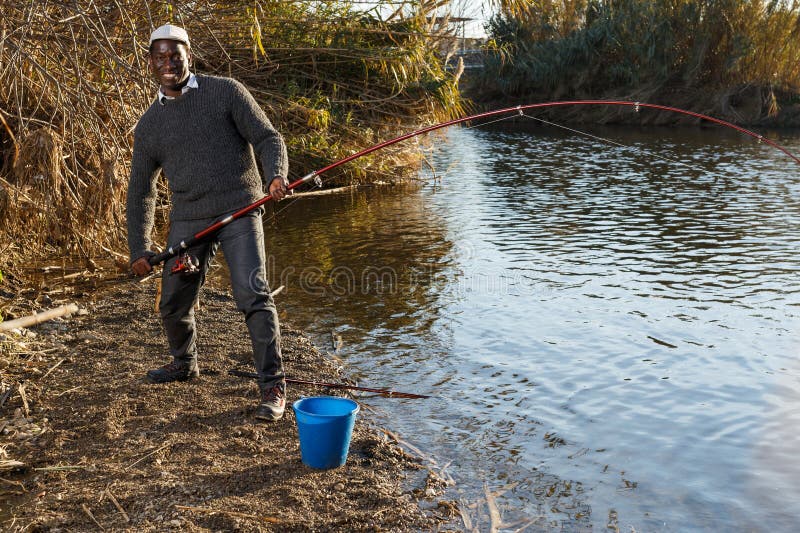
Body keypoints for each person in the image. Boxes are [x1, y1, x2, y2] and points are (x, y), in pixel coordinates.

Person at [126, 24, 291, 421]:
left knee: (253, 295)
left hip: (240, 209)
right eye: (161, 56)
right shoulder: (149, 126)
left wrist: (275, 175)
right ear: (150, 62)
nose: (169, 63)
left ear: (188, 56)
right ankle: (185, 363)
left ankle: (273, 385)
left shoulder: (227, 91)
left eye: (175, 55)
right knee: (172, 304)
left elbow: (268, 138)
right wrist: (139, 248)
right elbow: (141, 193)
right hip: (189, 220)